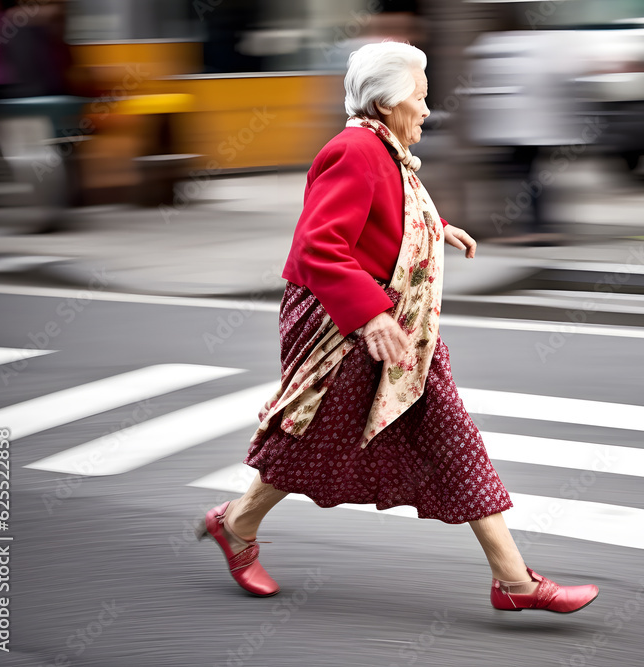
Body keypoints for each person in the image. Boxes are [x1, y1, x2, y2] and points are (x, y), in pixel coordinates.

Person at [196, 41, 599, 613]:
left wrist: (437, 229)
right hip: (349, 324)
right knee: (316, 436)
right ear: (387, 103)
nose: (427, 110)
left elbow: (389, 214)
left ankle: (514, 582)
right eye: (420, 97)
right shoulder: (354, 150)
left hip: (392, 323)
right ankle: (237, 523)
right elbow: (319, 247)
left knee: (449, 435)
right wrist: (371, 315)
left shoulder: (381, 147)